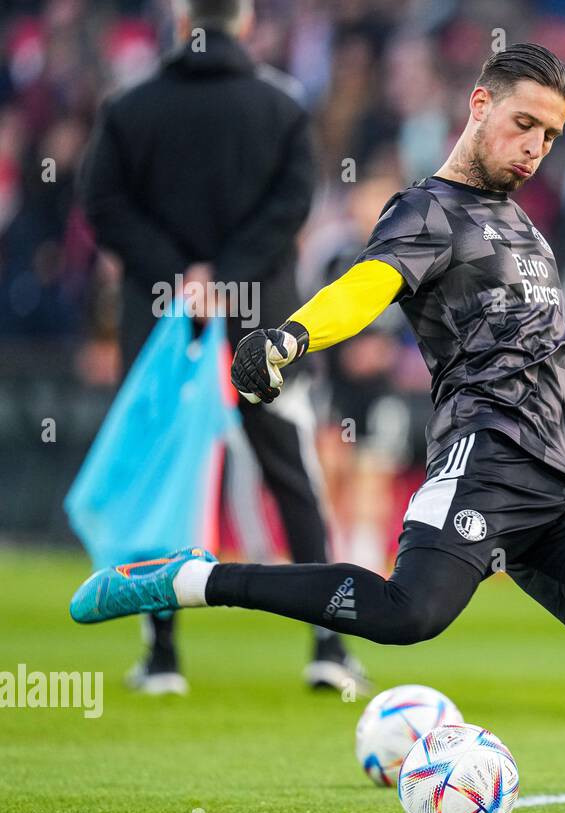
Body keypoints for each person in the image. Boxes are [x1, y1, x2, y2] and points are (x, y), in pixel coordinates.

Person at [71, 42, 565, 813]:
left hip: (560, 484)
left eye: (551, 136)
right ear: (478, 106)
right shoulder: (427, 209)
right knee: (407, 615)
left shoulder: (525, 231)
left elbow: (521, 335)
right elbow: (371, 284)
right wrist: (292, 337)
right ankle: (194, 579)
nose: (536, 148)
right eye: (523, 124)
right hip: (487, 458)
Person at [78, 0, 364, 695]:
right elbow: (291, 206)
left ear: (181, 26)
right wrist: (227, 276)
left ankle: (164, 655)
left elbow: (104, 206)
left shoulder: (130, 106)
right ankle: (328, 644)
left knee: (164, 480)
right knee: (290, 474)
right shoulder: (282, 107)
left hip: (162, 320)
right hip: (263, 320)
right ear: (244, 25)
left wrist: (183, 276)